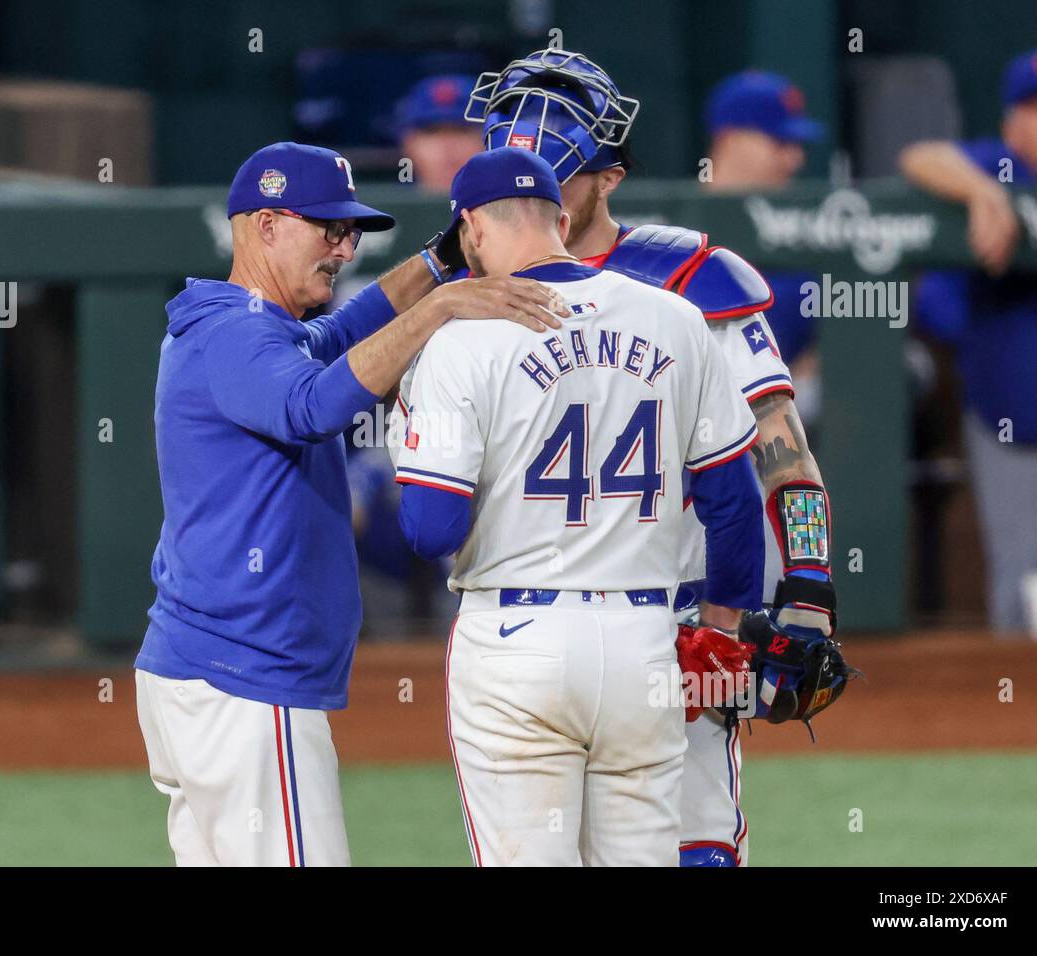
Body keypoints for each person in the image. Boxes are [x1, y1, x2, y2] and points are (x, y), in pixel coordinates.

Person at [395, 48, 839, 866]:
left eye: (552, 172)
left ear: (609, 177)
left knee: (695, 847)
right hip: (579, 618)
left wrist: (808, 587)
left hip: (683, 618)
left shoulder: (685, 278)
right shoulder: (463, 296)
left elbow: (783, 454)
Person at [134, 141, 566, 866]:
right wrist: (447, 306)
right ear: (267, 225)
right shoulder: (236, 335)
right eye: (327, 228)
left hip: (210, 679)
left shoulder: (251, 326)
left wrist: (435, 268)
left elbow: (345, 331)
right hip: (245, 687)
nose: (344, 246)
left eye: (352, 232)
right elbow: (314, 404)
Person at [900, 48, 1037, 633]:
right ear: (1012, 124)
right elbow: (919, 156)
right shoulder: (998, 167)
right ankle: (1023, 720)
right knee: (1020, 588)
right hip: (1015, 419)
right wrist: (983, 192)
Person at [703, 70, 825, 425]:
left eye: (797, 147)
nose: (794, 160)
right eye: (779, 144)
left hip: (790, 428)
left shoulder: (811, 231)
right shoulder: (672, 233)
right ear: (730, 140)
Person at [394, 74, 484, 192]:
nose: (448, 148)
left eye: (461, 130)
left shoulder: (513, 208)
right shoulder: (377, 208)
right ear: (408, 144)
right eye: (432, 132)